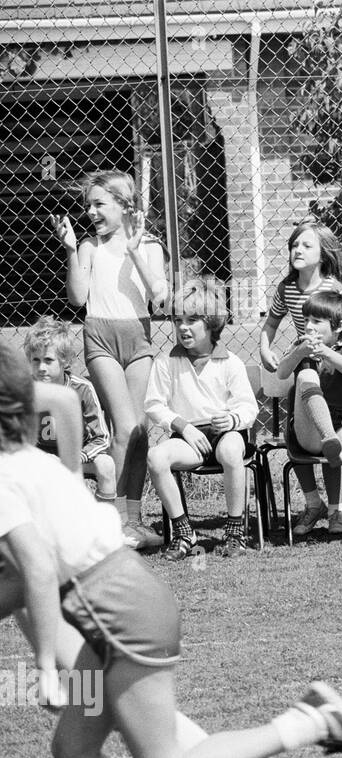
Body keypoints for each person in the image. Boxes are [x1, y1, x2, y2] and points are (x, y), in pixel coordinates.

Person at [0, 341, 342, 758]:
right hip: (118, 604)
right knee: (75, 748)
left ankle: (311, 721)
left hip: (119, 615)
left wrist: (46, 665)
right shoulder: (24, 459)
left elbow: (38, 570)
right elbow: (27, 576)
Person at [55, 169, 169, 549]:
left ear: (125, 205)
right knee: (123, 426)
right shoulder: (89, 246)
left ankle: (133, 520)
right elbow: (77, 296)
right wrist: (71, 250)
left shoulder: (150, 244)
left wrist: (134, 250)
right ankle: (111, 521)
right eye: (88, 205)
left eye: (99, 204)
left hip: (138, 337)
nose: (90, 212)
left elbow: (159, 295)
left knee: (139, 431)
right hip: (100, 336)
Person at [258, 221, 342, 537]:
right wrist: (265, 349)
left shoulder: (335, 289)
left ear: (324, 253)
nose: (297, 250)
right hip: (302, 360)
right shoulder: (286, 288)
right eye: (294, 245)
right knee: (296, 430)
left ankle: (335, 510)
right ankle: (312, 504)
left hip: (331, 371)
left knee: (329, 430)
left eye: (306, 245)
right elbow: (271, 324)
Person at [144, 310, 257, 559]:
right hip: (189, 437)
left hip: (226, 434)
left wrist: (231, 419)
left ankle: (235, 532)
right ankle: (184, 533)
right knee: (156, 457)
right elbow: (153, 404)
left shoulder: (230, 361)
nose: (183, 328)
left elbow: (249, 407)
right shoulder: (166, 361)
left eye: (191, 321)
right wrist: (184, 426)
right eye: (178, 321)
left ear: (210, 324)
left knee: (229, 450)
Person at [277, 290, 342, 551]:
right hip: (309, 432)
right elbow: (281, 373)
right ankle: (328, 439)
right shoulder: (299, 346)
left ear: (339, 326)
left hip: (341, 423)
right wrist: (301, 352)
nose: (309, 326)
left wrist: (325, 352)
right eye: (307, 320)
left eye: (317, 321)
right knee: (305, 378)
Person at [24, 317, 114, 502]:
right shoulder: (25, 390)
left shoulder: (82, 389)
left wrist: (76, 458)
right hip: (40, 455)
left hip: (77, 454)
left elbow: (102, 438)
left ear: (64, 361)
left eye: (48, 360)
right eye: (35, 360)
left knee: (106, 465)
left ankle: (103, 523)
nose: (41, 367)